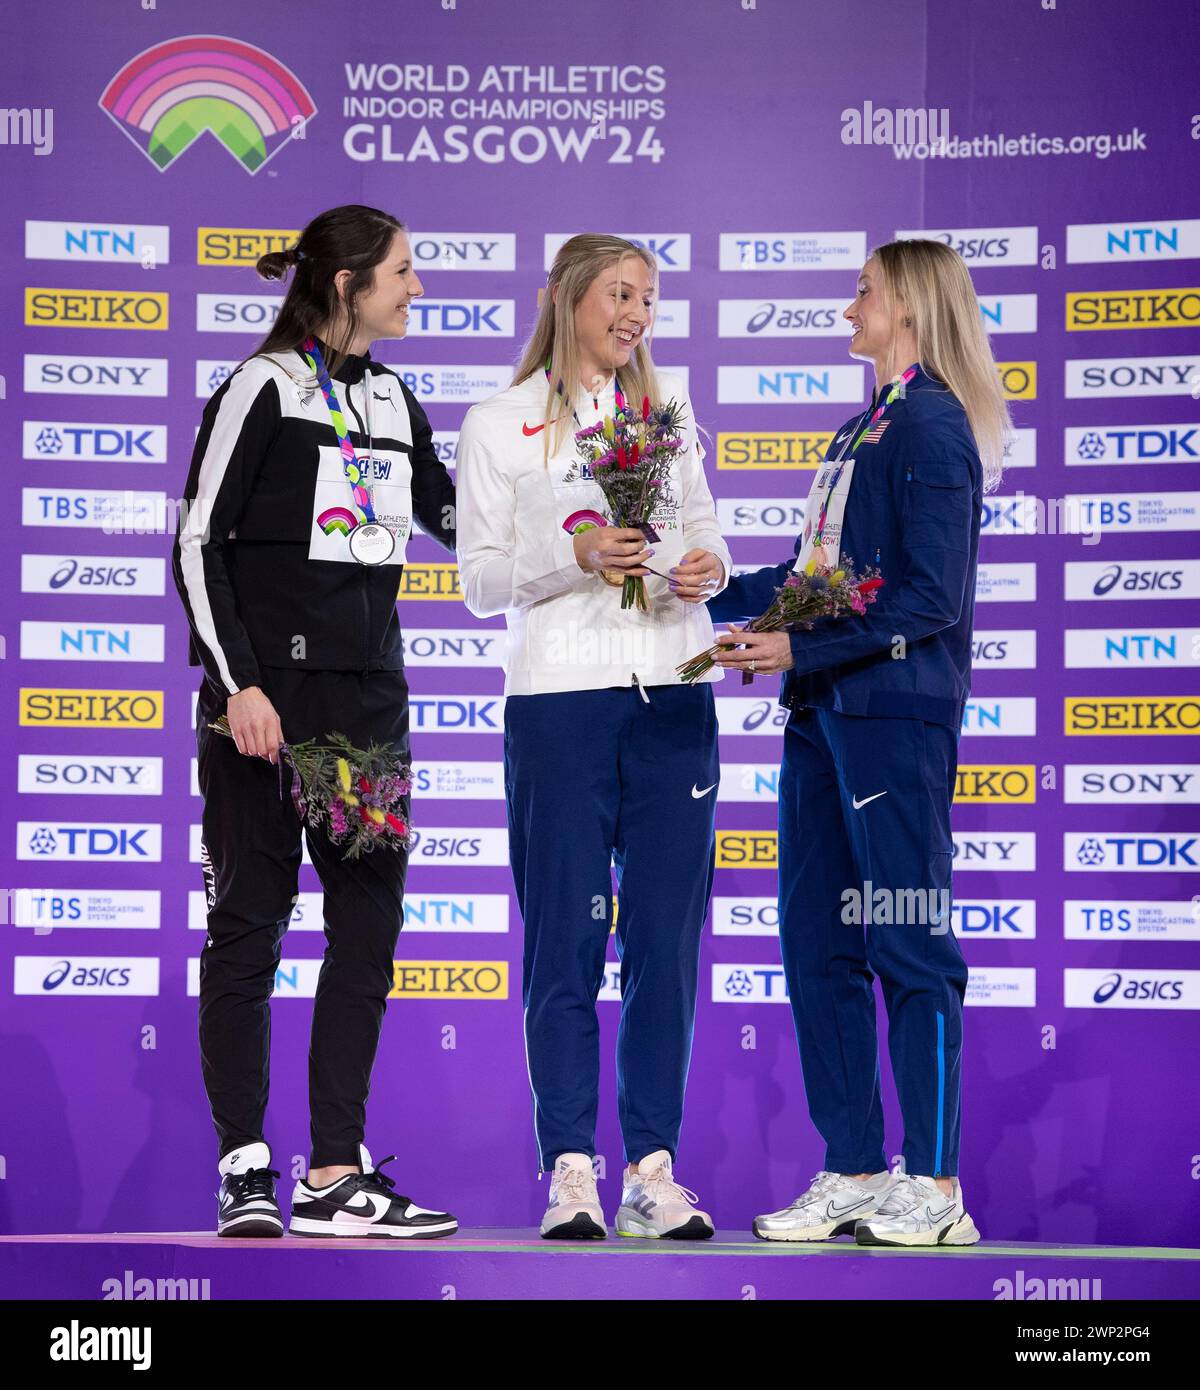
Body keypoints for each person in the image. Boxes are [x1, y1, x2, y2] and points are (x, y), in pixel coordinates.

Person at [709, 238, 1010, 1247]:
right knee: (818, 946)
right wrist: (711, 584)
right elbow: (819, 579)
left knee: (908, 942)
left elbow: (930, 596)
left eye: (864, 293)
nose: (849, 309)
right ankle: (851, 1168)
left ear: (910, 308)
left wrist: (795, 639)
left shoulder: (932, 424)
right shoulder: (862, 427)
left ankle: (935, 1183)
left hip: (893, 728)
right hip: (822, 719)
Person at [172, 204, 459, 1239]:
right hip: (265, 710)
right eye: (403, 271)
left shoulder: (393, 395)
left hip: (367, 709)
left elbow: (457, 519)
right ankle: (244, 1162)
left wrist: (573, 512)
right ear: (346, 284)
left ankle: (335, 1172)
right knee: (249, 927)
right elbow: (199, 542)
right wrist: (235, 682)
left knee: (367, 932)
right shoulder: (262, 385)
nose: (415, 288)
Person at [455, 234, 732, 1240]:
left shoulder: (666, 412)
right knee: (565, 946)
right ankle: (571, 1168)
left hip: (671, 694)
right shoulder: (499, 420)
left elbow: (708, 529)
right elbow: (477, 580)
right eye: (621, 293)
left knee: (663, 942)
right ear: (568, 296)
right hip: (559, 705)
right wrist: (571, 551)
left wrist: (700, 565)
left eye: (650, 299)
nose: (637, 315)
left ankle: (653, 1172)